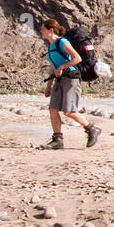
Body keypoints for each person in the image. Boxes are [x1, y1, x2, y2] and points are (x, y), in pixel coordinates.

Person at [39, 19, 101, 149]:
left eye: (43, 29)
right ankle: (57, 140)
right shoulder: (50, 47)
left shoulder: (62, 42)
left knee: (69, 111)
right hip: (60, 80)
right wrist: (48, 86)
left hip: (72, 78)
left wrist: (62, 67)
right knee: (53, 109)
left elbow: (77, 58)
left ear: (50, 30)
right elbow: (52, 67)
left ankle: (92, 129)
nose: (41, 31)